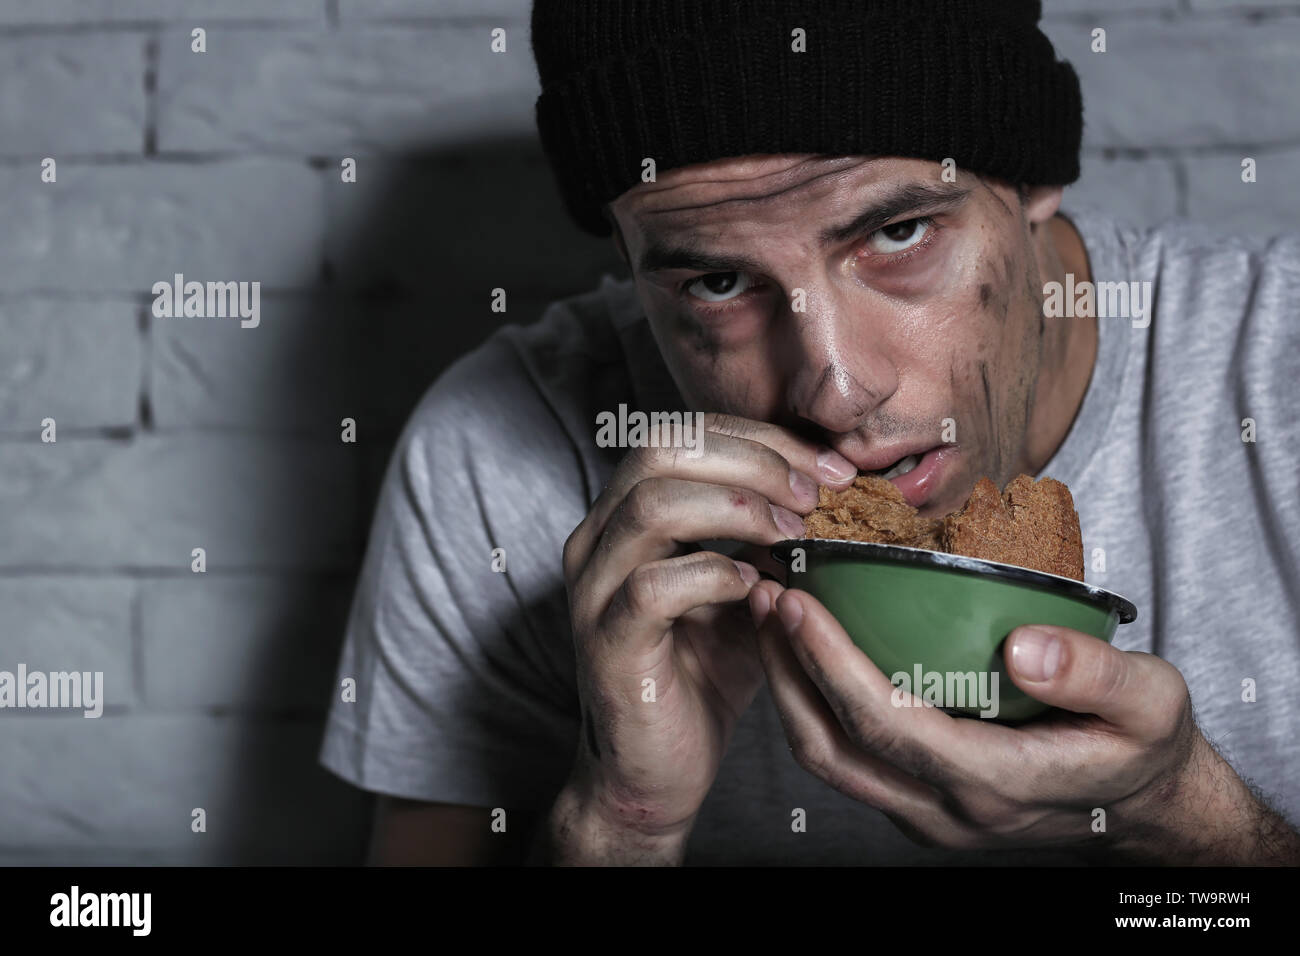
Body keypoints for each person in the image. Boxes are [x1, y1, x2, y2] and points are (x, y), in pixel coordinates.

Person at [319, 0, 1300, 865]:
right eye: (715, 282)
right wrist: (619, 823)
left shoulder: (1276, 371)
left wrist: (1185, 819)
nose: (832, 390)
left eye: (897, 233)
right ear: (625, 259)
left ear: (1033, 176)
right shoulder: (495, 455)